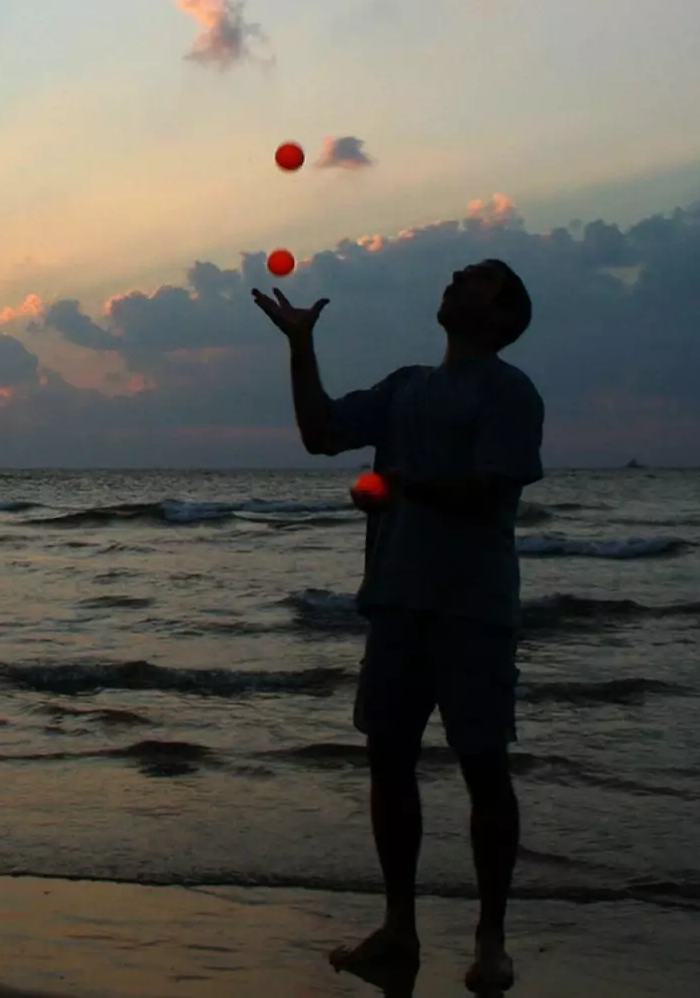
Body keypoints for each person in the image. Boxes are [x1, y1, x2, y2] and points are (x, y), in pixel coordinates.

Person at [252, 259, 544, 994]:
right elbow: (320, 434)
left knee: (484, 766)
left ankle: (491, 940)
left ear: (502, 317)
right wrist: (299, 343)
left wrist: (405, 485)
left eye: (477, 277)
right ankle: (399, 931)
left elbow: (488, 489)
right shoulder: (406, 386)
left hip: (473, 607)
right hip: (396, 598)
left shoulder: (510, 391)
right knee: (389, 762)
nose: (454, 276)